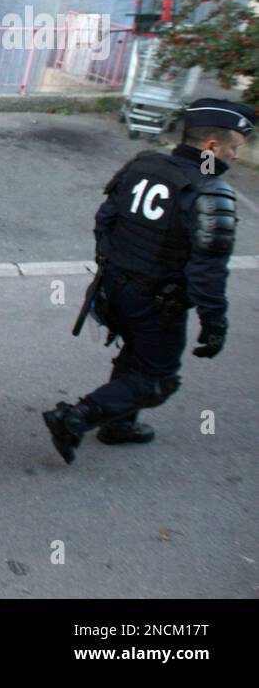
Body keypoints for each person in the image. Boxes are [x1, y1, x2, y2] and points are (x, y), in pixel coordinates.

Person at [44, 98, 252, 462]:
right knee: (158, 378)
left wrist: (115, 267)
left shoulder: (144, 164)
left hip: (115, 288)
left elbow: (104, 220)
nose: (236, 156)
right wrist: (214, 322)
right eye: (234, 148)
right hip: (159, 300)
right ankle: (75, 416)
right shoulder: (210, 191)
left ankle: (119, 424)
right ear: (212, 147)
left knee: (136, 355)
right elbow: (209, 270)